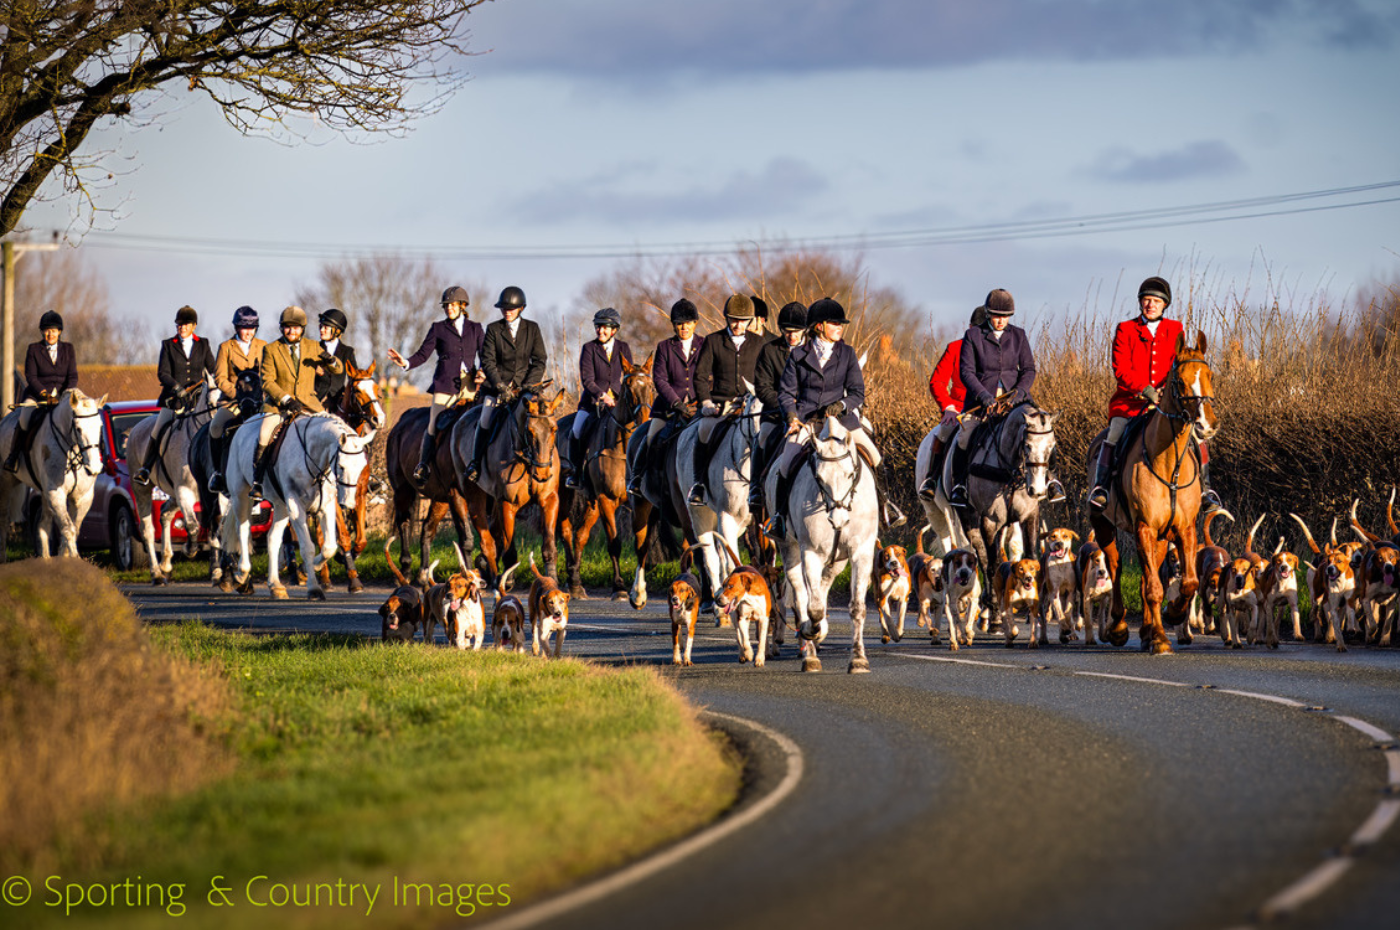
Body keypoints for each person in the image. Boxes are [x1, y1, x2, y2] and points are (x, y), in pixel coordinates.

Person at [764, 297, 905, 538]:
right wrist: (791, 417)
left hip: (842, 422)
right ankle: (778, 518)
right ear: (819, 326)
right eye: (835, 323)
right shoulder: (798, 355)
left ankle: (886, 507)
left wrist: (841, 405)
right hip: (807, 421)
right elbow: (786, 393)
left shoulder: (848, 354)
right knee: (785, 464)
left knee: (874, 455)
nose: (840, 327)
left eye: (841, 324)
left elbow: (858, 392)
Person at [1088, 276, 1222, 513]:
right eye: (1147, 300)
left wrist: (1166, 392)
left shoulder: (1175, 329)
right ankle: (1101, 488)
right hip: (1130, 403)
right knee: (1115, 433)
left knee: (1196, 436)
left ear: (1164, 305)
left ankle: (1206, 491)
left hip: (1166, 404)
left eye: (1156, 301)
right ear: (1140, 303)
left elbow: (1178, 366)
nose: (1151, 305)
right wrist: (1146, 390)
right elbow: (1120, 368)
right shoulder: (1125, 329)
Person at [945, 289, 1037, 510]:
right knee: (965, 437)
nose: (1000, 320)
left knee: (1040, 431)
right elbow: (966, 372)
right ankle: (960, 486)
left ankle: (1051, 481)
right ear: (988, 314)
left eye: (1005, 316)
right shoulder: (973, 336)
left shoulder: (1019, 335)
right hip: (981, 402)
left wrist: (1017, 395)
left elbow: (1029, 370)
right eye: (996, 315)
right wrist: (985, 396)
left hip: (1015, 401)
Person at [387, 286, 485, 486]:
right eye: (446, 306)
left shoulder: (476, 328)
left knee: (479, 423)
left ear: (462, 306)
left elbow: (485, 356)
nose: (449, 309)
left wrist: (483, 371)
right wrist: (405, 362)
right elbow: (423, 354)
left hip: (470, 386)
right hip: (445, 384)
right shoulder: (438, 328)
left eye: (452, 305)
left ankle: (479, 464)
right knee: (434, 424)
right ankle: (423, 464)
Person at [251, 306, 344, 500]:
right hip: (278, 405)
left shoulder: (313, 347)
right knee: (264, 435)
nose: (291, 331)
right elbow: (267, 380)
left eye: (295, 328)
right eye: (287, 327)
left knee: (332, 430)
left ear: (302, 328)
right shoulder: (271, 349)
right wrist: (285, 399)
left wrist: (332, 361)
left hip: (309, 404)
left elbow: (338, 370)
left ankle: (333, 481)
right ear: (281, 328)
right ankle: (258, 482)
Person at [687, 294, 764, 505]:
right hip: (721, 405)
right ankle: (698, 484)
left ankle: (762, 486)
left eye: (742, 320)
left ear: (750, 321)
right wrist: (706, 403)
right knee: (704, 428)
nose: (738, 324)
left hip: (751, 405)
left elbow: (766, 376)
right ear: (726, 318)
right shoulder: (713, 341)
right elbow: (700, 376)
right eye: (733, 319)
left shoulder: (759, 343)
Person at [466, 286, 548, 482]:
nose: (507, 311)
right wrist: (500, 386)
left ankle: (547, 460)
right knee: (486, 417)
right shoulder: (494, 329)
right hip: (496, 388)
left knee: (543, 419)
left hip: (525, 388)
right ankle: (475, 463)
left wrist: (527, 385)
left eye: (511, 308)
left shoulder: (533, 328)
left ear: (521, 308)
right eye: (504, 308)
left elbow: (539, 360)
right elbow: (487, 361)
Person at [134, 305, 217, 485]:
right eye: (179, 324)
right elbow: (162, 373)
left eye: (186, 324)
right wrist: (177, 388)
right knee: (158, 429)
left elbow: (212, 369)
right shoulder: (168, 345)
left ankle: (218, 469)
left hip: (197, 398)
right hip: (173, 400)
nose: (182, 328)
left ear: (194, 326)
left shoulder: (203, 344)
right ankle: (146, 468)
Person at [629, 298, 701, 495]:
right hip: (668, 407)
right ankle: (637, 477)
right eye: (679, 323)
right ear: (674, 325)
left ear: (695, 323)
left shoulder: (705, 344)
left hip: (698, 406)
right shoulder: (665, 347)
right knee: (651, 436)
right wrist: (677, 403)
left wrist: (700, 401)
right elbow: (659, 379)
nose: (683, 327)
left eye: (687, 322)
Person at [916, 307, 984, 501]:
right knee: (944, 431)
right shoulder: (955, 348)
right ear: (969, 328)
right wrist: (948, 406)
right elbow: (937, 381)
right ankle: (932, 478)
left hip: (990, 409)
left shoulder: (998, 353)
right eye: (977, 331)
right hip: (960, 410)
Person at [747, 300, 806, 511]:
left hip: (808, 415)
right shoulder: (769, 350)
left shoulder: (814, 351)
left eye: (796, 331)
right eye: (787, 331)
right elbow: (763, 387)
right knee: (762, 437)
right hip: (775, 414)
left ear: (805, 330)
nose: (792, 336)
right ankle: (755, 489)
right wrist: (786, 406)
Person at [4, 310, 78, 474]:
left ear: (59, 331)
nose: (50, 334)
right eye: (46, 330)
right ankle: (13, 457)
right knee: (24, 419)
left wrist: (65, 394)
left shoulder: (68, 349)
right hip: (37, 396)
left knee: (79, 419)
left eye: (53, 330)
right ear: (42, 332)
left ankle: (83, 456)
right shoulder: (34, 349)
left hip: (62, 396)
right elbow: (31, 376)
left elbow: (72, 376)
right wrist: (44, 394)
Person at [566, 308, 631, 490]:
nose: (600, 331)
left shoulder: (624, 348)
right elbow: (587, 379)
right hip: (592, 403)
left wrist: (618, 397)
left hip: (618, 403)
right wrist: (602, 395)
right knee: (576, 431)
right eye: (598, 327)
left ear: (614, 330)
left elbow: (629, 375)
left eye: (604, 328)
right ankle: (575, 473)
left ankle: (637, 475)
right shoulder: (589, 348)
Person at [208, 306, 266, 494]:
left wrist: (256, 397)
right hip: (233, 402)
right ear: (236, 328)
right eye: (244, 328)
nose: (248, 332)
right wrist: (240, 396)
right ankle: (217, 472)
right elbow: (220, 378)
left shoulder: (264, 346)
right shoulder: (225, 348)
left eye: (252, 328)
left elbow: (268, 375)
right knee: (216, 428)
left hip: (258, 402)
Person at [313, 308, 359, 407]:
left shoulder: (348, 352)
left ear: (337, 331)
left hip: (338, 402)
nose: (321, 330)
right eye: (321, 326)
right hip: (315, 401)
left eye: (326, 327)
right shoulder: (313, 348)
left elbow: (354, 378)